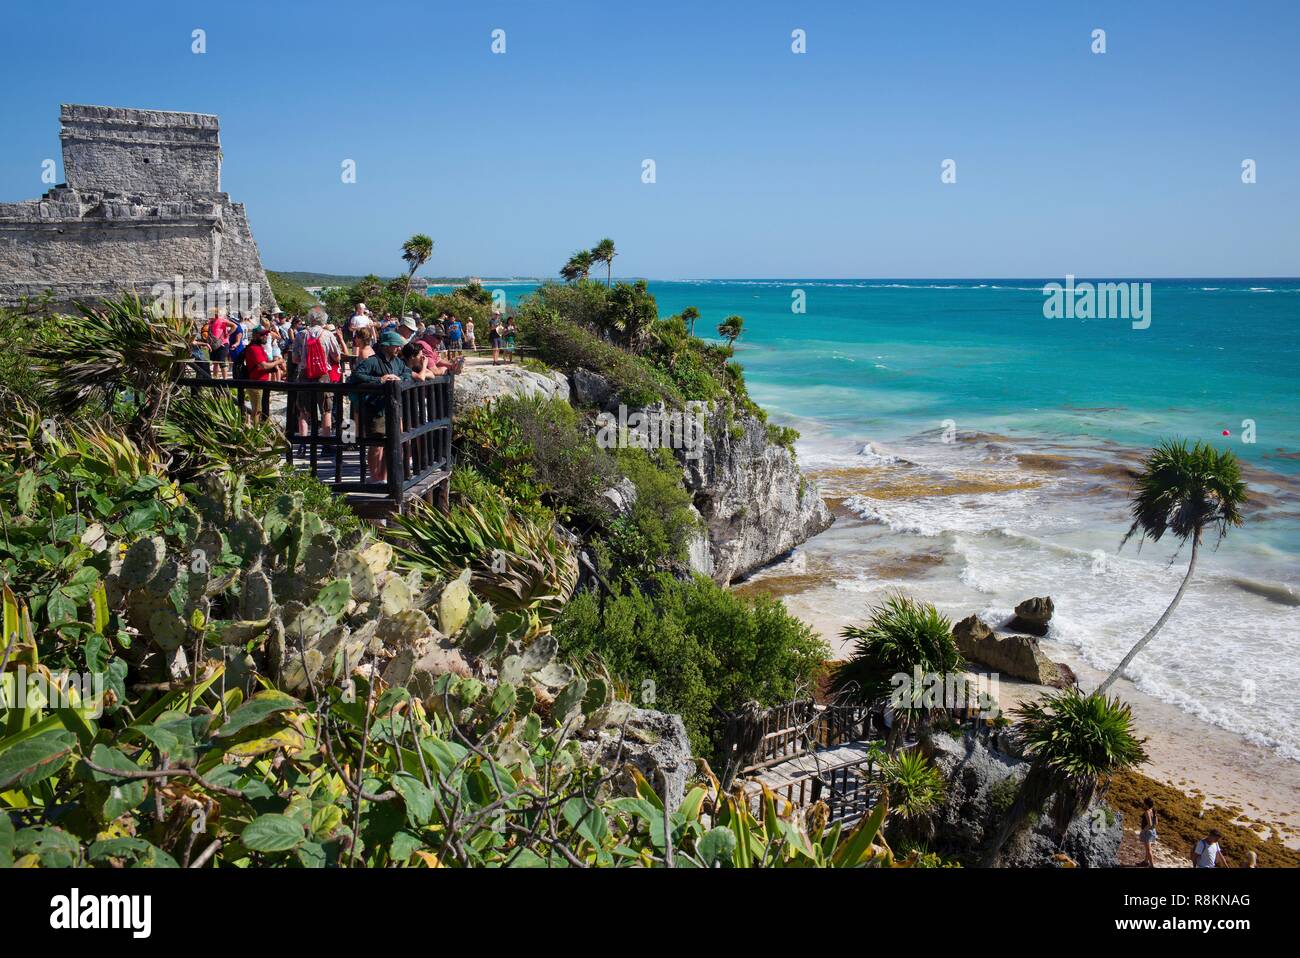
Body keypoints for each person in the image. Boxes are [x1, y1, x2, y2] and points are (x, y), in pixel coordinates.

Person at [349, 330, 412, 482]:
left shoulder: (397, 362)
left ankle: (383, 477)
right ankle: (375, 477)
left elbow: (408, 373)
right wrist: (380, 380)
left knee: (390, 444)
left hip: (393, 409)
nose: (399, 349)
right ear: (386, 346)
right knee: (376, 445)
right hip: (376, 409)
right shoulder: (372, 361)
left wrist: (399, 378)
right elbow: (357, 375)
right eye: (396, 346)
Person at [295, 316, 340, 437]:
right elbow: (337, 357)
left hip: (305, 373)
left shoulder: (300, 335)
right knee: (326, 410)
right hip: (322, 375)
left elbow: (295, 358)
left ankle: (303, 444)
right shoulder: (327, 334)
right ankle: (326, 444)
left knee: (303, 411)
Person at [243, 328, 276, 422]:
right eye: (263, 335)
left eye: (266, 334)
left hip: (263, 381)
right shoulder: (254, 348)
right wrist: (277, 362)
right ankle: (256, 431)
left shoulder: (259, 347)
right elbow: (263, 365)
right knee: (257, 410)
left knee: (263, 408)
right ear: (256, 335)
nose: (266, 336)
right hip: (256, 382)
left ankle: (262, 428)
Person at [206, 309, 233, 379]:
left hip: (222, 344)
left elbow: (234, 326)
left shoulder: (222, 320)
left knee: (222, 362)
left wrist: (228, 334)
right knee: (215, 363)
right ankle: (215, 379)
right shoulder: (210, 322)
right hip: (213, 344)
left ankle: (225, 381)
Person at [1139, 798, 1158, 867]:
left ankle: (1152, 865)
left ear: (1147, 804)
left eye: (1144, 803)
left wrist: (1143, 831)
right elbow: (1156, 822)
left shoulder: (1147, 812)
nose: (1143, 804)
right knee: (1148, 849)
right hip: (1153, 831)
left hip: (1147, 832)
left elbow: (1149, 824)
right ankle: (1145, 862)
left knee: (1148, 850)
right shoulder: (1153, 810)